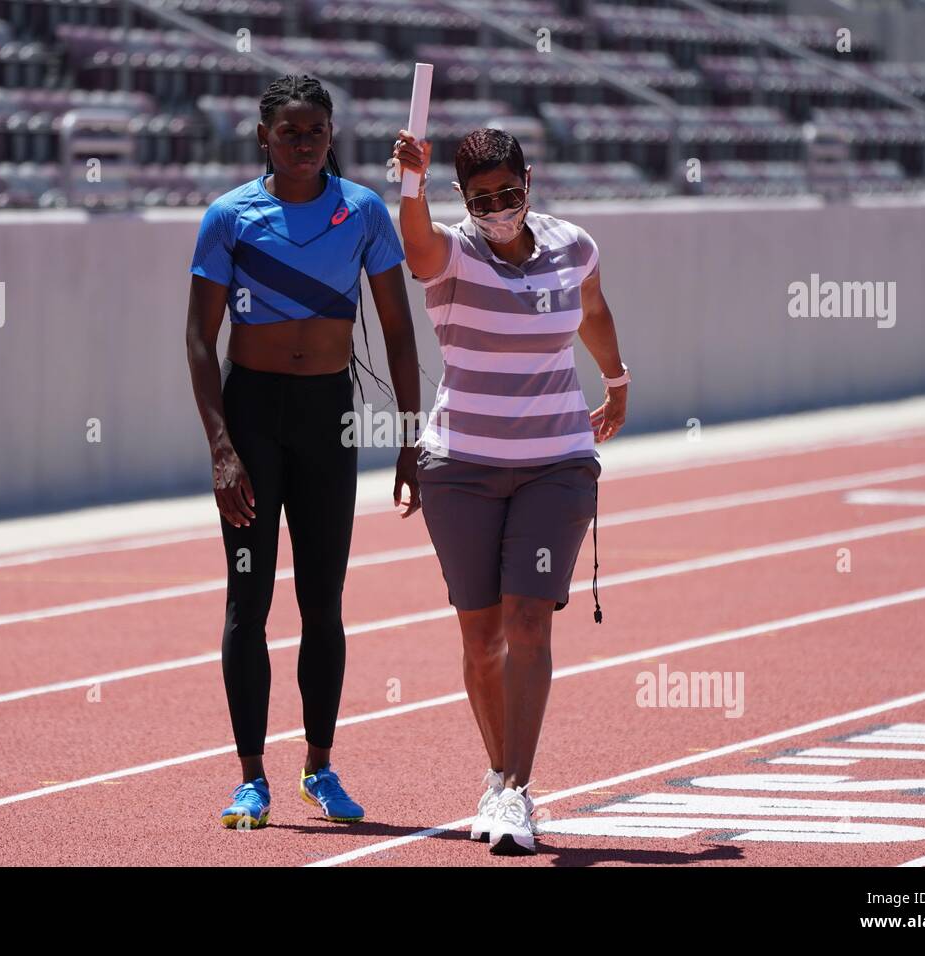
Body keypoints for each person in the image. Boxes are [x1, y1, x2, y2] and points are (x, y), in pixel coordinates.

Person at [187, 74, 422, 830]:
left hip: (329, 419)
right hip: (252, 417)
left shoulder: (361, 211)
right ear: (264, 136)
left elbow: (397, 329)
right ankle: (251, 776)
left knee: (323, 603)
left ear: (331, 134)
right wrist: (221, 445)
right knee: (246, 602)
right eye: (288, 131)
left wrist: (410, 438)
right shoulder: (229, 217)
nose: (302, 142)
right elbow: (199, 338)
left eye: (314, 130)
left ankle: (319, 766)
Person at [391, 126, 629, 855]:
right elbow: (415, 245)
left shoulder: (573, 245)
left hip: (556, 462)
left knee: (529, 622)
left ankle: (518, 790)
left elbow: (590, 309)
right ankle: (498, 775)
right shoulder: (453, 252)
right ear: (463, 199)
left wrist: (616, 382)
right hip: (461, 466)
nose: (499, 207)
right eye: (482, 197)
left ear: (530, 180)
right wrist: (411, 185)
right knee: (481, 634)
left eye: (510, 192)